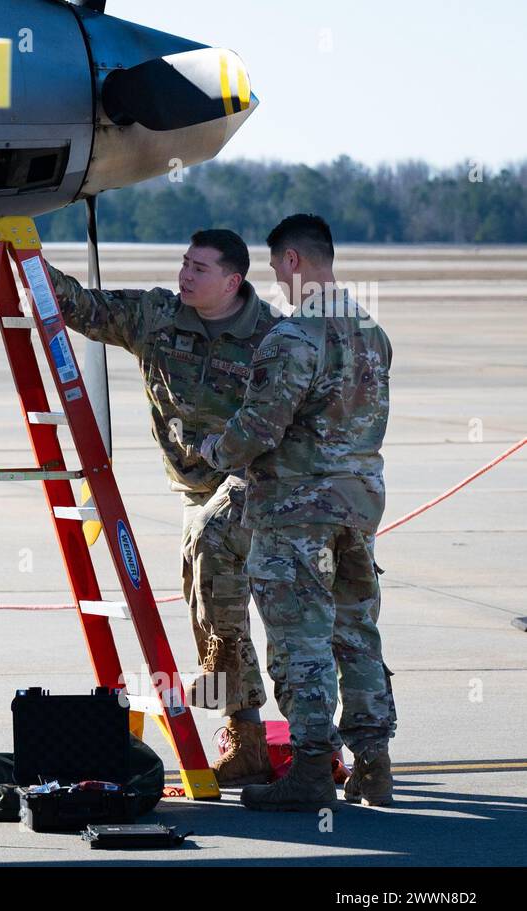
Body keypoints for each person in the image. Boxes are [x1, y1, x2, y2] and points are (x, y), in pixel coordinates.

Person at [46, 230, 281, 786]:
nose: (185, 275)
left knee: (219, 578)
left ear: (233, 282)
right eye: (184, 263)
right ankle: (247, 730)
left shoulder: (273, 337)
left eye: (199, 269)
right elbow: (83, 306)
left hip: (257, 480)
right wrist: (24, 259)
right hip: (195, 488)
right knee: (208, 599)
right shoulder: (157, 317)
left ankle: (259, 729)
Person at [199, 214, 397, 810]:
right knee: (357, 633)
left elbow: (261, 426)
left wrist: (215, 450)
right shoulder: (372, 332)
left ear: (292, 261)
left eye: (275, 268)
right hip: (358, 508)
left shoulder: (292, 338)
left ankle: (312, 769)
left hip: (295, 514)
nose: (277, 282)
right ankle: (374, 764)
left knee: (298, 642)